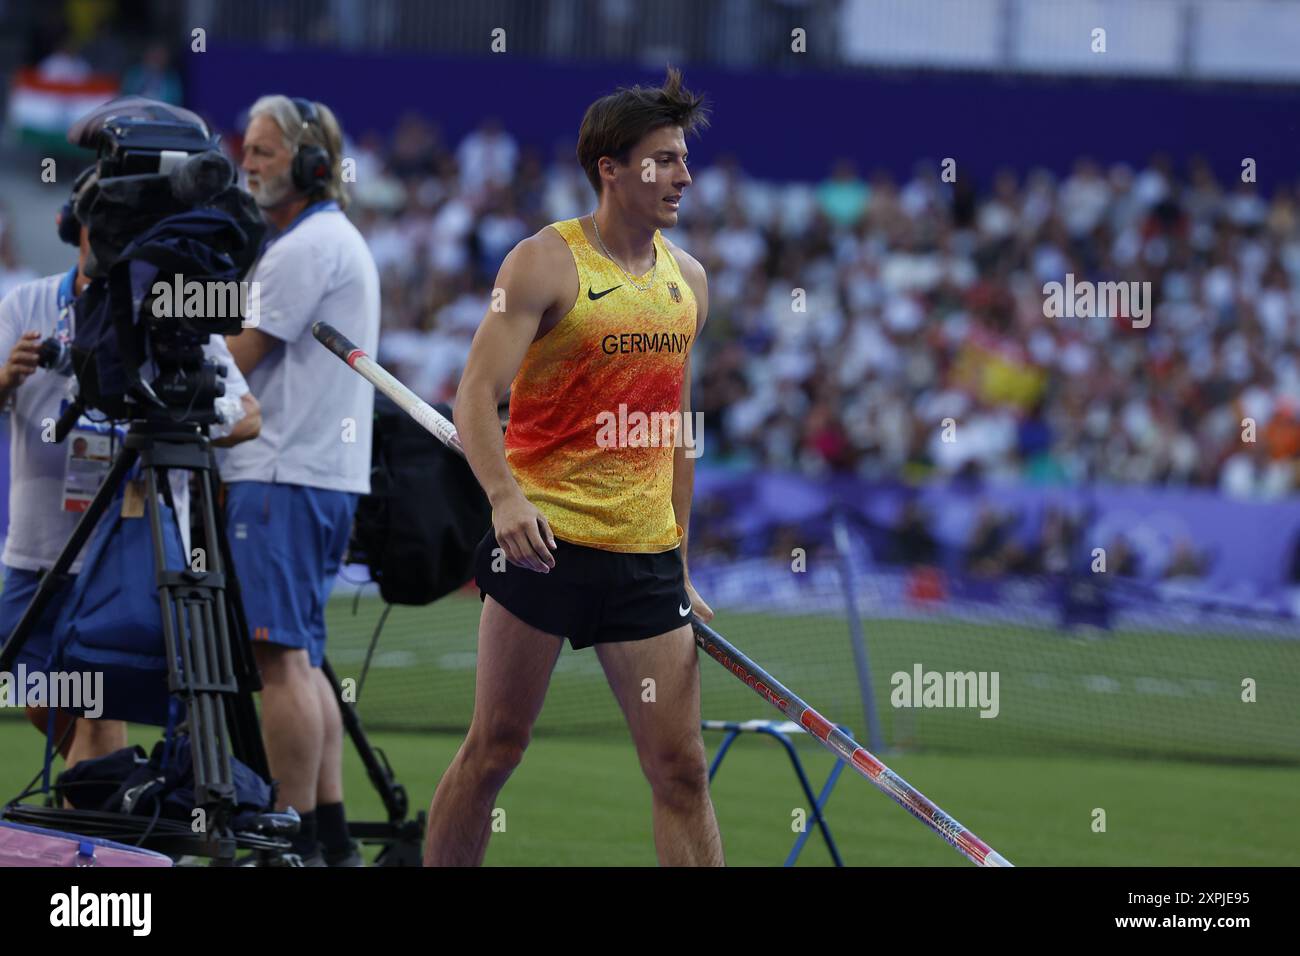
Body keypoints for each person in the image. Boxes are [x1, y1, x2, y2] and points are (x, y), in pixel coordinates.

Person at [425, 68, 723, 866]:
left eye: (685, 160)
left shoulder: (686, 280)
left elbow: (678, 434)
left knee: (682, 771)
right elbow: (474, 396)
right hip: (543, 545)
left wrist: (681, 560)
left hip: (645, 560)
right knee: (495, 749)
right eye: (664, 159)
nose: (683, 177)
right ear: (612, 169)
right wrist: (504, 499)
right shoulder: (543, 263)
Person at [0, 208, 259, 768]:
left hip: (126, 554)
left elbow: (247, 416)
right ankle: (113, 788)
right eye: (105, 227)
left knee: (98, 700)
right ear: (79, 230)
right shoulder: (26, 303)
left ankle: (97, 813)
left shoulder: (169, 308)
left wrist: (167, 415)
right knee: (39, 698)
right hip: (37, 548)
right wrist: (4, 380)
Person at [222, 94, 380, 867]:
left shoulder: (303, 248)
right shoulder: (329, 240)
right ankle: (326, 835)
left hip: (281, 474)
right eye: (246, 150)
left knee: (277, 659)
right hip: (316, 475)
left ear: (311, 163)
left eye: (263, 152)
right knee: (300, 659)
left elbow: (231, 364)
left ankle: (283, 836)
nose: (246, 165)